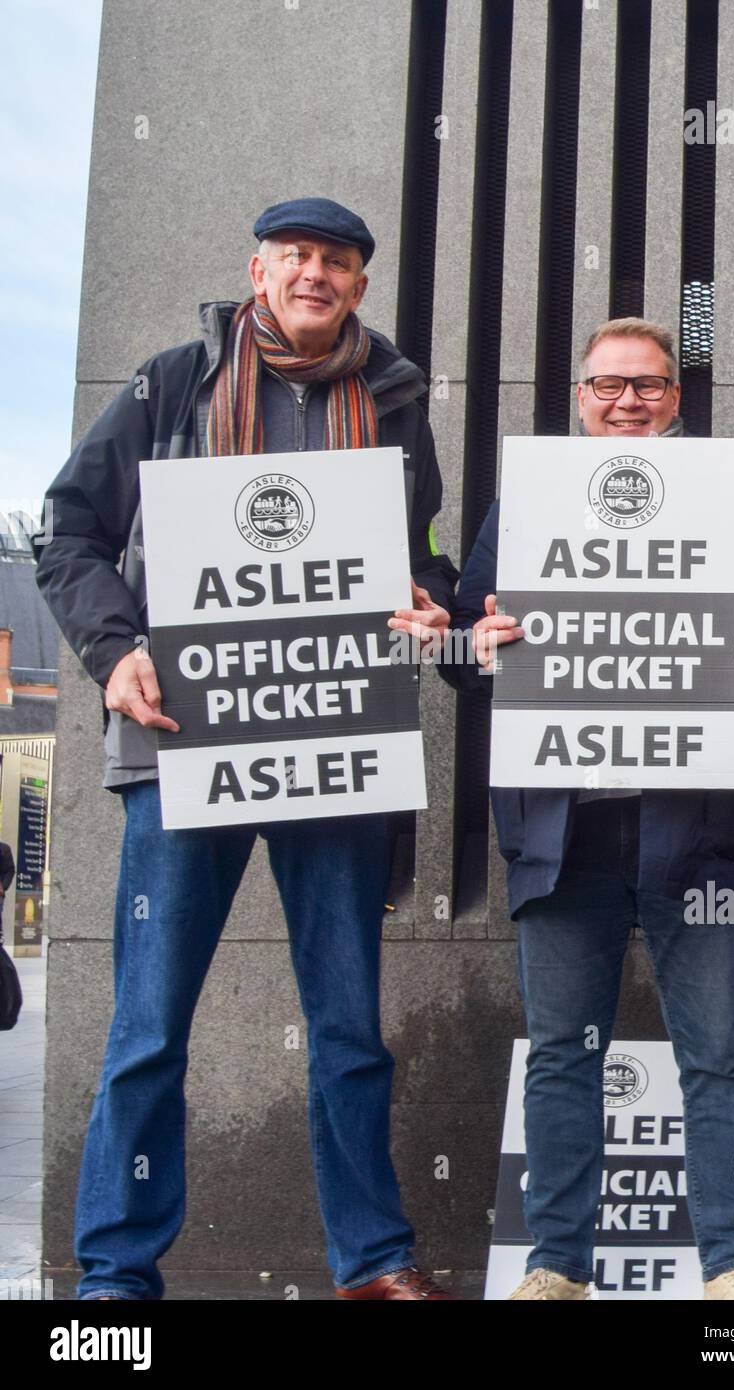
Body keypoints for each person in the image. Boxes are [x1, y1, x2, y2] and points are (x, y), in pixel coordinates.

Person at [36, 197, 458, 1301]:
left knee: (347, 1025)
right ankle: (117, 1274)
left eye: (337, 261)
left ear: (360, 285)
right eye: (296, 256)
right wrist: (113, 647)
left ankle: (372, 1263)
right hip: (181, 745)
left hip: (336, 744)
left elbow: (420, 556)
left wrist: (431, 601)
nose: (314, 273)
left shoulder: (396, 401)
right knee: (147, 1027)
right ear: (259, 269)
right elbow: (66, 528)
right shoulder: (171, 381)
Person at [441, 317, 734, 1300]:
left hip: (702, 841)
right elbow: (458, 651)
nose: (627, 401)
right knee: (564, 1062)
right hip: (558, 837)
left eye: (647, 385)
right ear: (579, 397)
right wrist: (476, 644)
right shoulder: (515, 514)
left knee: (718, 1059)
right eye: (608, 384)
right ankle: (554, 1270)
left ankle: (730, 1267)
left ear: (674, 399)